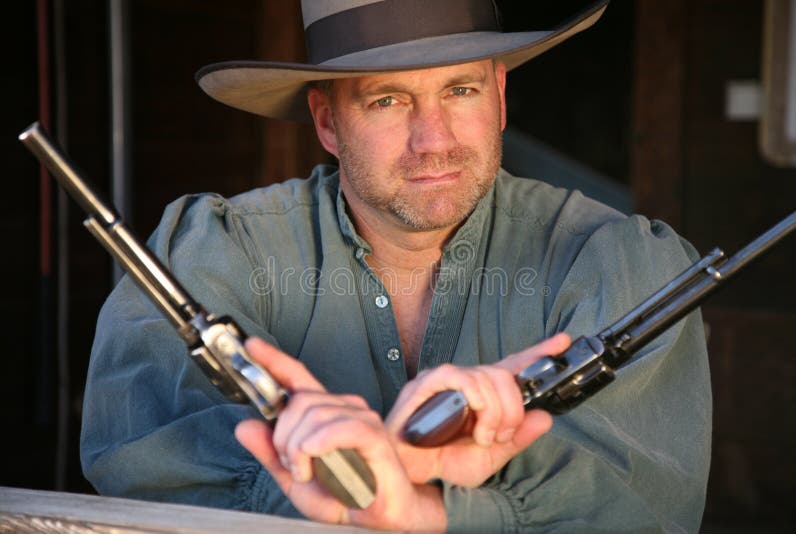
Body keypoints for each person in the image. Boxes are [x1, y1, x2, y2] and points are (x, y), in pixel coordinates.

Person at [80, 0, 712, 531]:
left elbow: (639, 504)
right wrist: (361, 492)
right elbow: (151, 476)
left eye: (459, 90)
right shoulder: (215, 254)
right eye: (387, 101)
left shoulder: (617, 265)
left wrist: (411, 501)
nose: (433, 139)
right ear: (328, 121)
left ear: (498, 94)